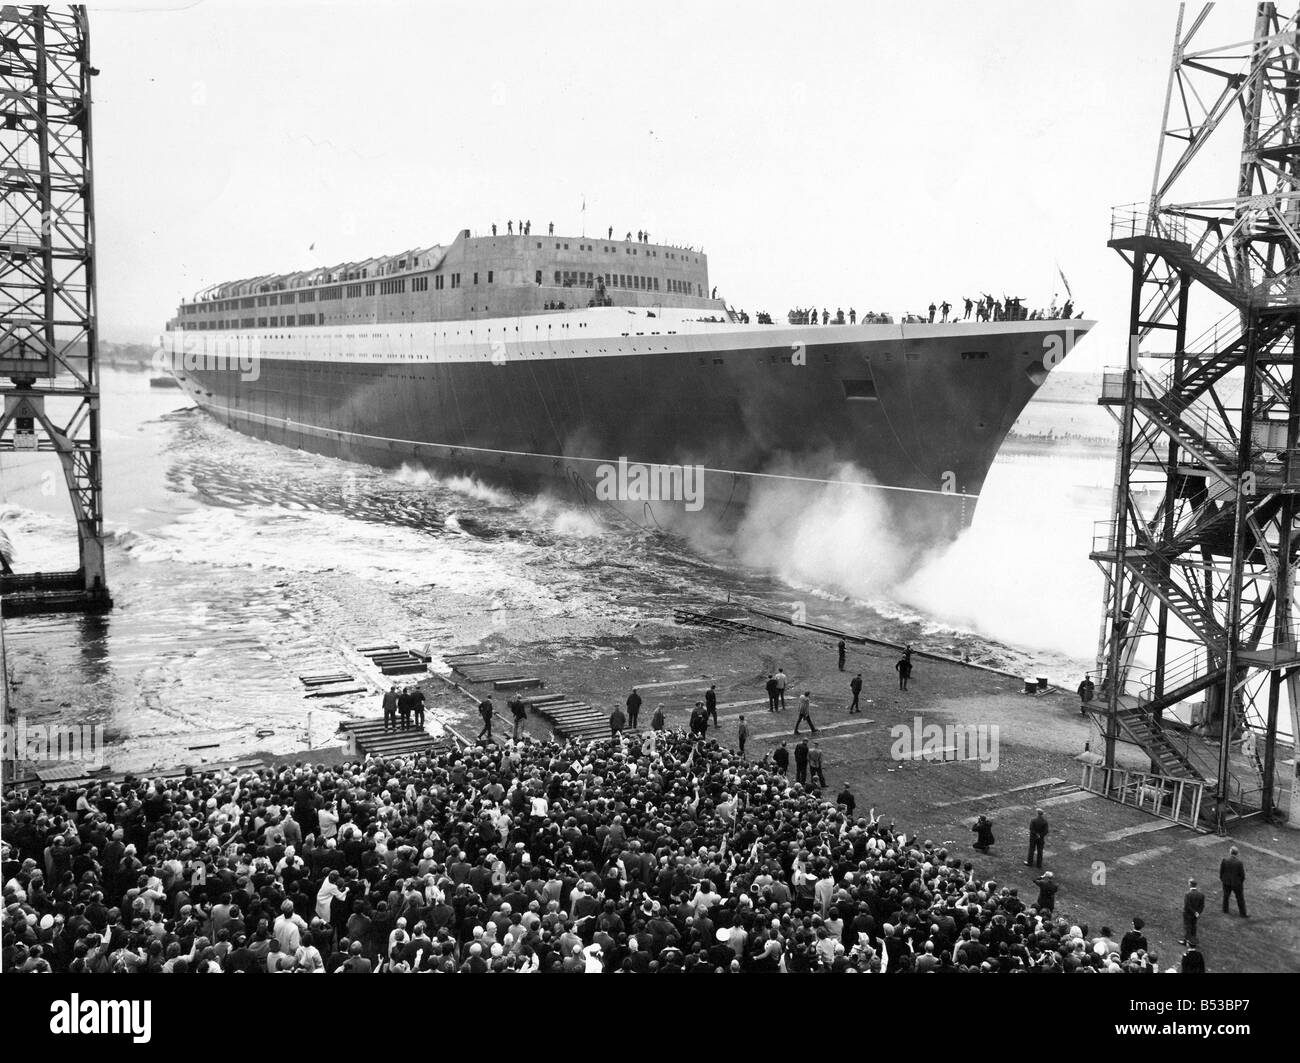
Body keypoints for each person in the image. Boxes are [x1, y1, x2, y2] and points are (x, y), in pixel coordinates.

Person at [1219, 847, 1247, 917]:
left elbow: (1221, 871)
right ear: (1237, 853)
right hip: (1236, 883)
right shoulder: (1239, 863)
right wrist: (1240, 882)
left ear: (1230, 852)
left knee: (1226, 896)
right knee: (1240, 898)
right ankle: (1242, 913)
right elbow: (1242, 875)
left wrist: (1222, 879)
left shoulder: (1225, 860)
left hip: (1226, 882)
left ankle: (1225, 910)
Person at [1181, 878, 1205, 948]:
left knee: (1187, 927)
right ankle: (1193, 941)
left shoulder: (1188, 894)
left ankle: (1186, 941)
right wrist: (1198, 913)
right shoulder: (1201, 895)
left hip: (1188, 914)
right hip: (1196, 915)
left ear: (1190, 884)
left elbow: (1187, 906)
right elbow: (1202, 905)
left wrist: (1194, 912)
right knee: (1194, 927)